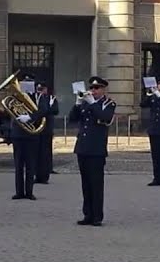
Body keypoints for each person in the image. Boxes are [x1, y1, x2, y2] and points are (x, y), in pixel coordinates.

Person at [70, 76, 116, 226]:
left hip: (96, 149)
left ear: (103, 90)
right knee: (85, 184)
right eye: (92, 88)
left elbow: (105, 118)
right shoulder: (85, 103)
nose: (93, 91)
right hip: (83, 147)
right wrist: (77, 103)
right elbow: (72, 119)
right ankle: (87, 214)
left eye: (97, 88)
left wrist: (93, 103)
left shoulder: (108, 104)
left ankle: (97, 216)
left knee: (96, 184)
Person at [10, 74, 42, 200]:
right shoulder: (15, 98)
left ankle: (29, 192)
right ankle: (19, 192)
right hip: (18, 135)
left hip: (31, 135)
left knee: (30, 165)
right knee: (18, 166)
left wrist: (30, 117)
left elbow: (43, 111)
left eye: (29, 84)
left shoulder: (38, 98)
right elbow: (9, 111)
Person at [33, 82, 60, 183]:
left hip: (47, 128)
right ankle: (37, 175)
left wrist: (47, 108)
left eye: (42, 89)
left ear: (46, 90)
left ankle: (45, 174)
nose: (40, 91)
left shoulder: (51, 98)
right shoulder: (34, 98)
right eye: (38, 89)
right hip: (36, 128)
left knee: (46, 153)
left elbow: (55, 110)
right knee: (36, 153)